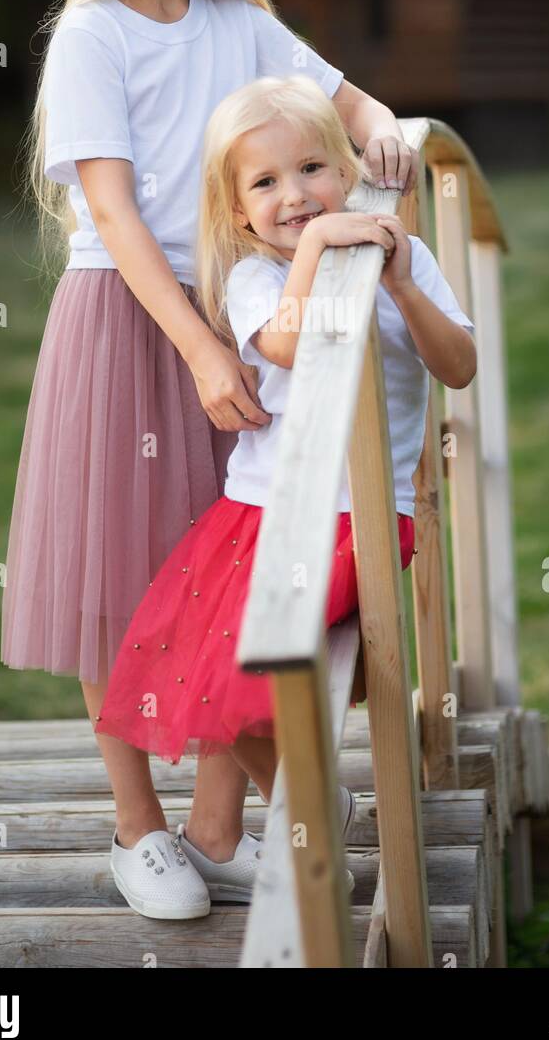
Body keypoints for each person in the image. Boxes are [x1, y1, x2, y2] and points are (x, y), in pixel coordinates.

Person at [0, 0, 420, 921]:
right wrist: (194, 347)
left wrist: (381, 124)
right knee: (119, 578)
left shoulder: (239, 18)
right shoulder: (91, 35)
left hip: (242, 317)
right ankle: (137, 828)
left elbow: (343, 97)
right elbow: (119, 215)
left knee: (229, 564)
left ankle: (215, 822)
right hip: (132, 323)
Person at [95, 74, 476, 918]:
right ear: (238, 214)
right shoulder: (255, 282)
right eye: (264, 184)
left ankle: (307, 829)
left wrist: (406, 285)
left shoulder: (401, 261)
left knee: (260, 665)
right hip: (254, 515)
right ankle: (313, 813)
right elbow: (296, 345)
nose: (295, 196)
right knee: (197, 674)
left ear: (346, 170)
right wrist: (317, 250)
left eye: (311, 169)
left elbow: (458, 366)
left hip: (358, 521)